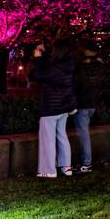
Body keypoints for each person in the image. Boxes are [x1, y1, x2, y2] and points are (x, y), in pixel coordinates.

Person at [30, 39, 77, 177]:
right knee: (62, 136)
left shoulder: (55, 68)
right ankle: (66, 166)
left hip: (50, 106)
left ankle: (48, 170)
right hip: (63, 107)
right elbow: (49, 68)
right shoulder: (67, 65)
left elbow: (39, 75)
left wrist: (38, 59)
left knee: (48, 138)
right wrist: (43, 54)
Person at [73, 45, 105, 172]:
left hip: (82, 103)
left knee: (83, 135)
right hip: (92, 103)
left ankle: (86, 163)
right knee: (84, 134)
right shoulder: (99, 66)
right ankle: (86, 162)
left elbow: (77, 83)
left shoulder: (80, 67)